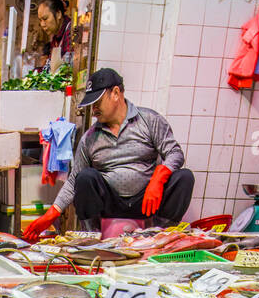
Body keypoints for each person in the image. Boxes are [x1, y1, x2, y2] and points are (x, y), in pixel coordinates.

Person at [24, 68, 194, 240]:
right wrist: (50, 216)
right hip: (110, 203)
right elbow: (74, 180)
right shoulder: (89, 138)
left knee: (184, 177)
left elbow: (175, 153)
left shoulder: (149, 120)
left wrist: (159, 177)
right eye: (92, 103)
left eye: (98, 101)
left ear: (115, 93)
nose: (94, 108)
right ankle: (93, 237)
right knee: (85, 177)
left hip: (146, 201)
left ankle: (160, 237)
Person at [36, 0, 73, 68]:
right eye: (40, 20)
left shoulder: (70, 32)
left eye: (45, 18)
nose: (42, 24)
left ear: (58, 14)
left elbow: (69, 67)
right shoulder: (55, 39)